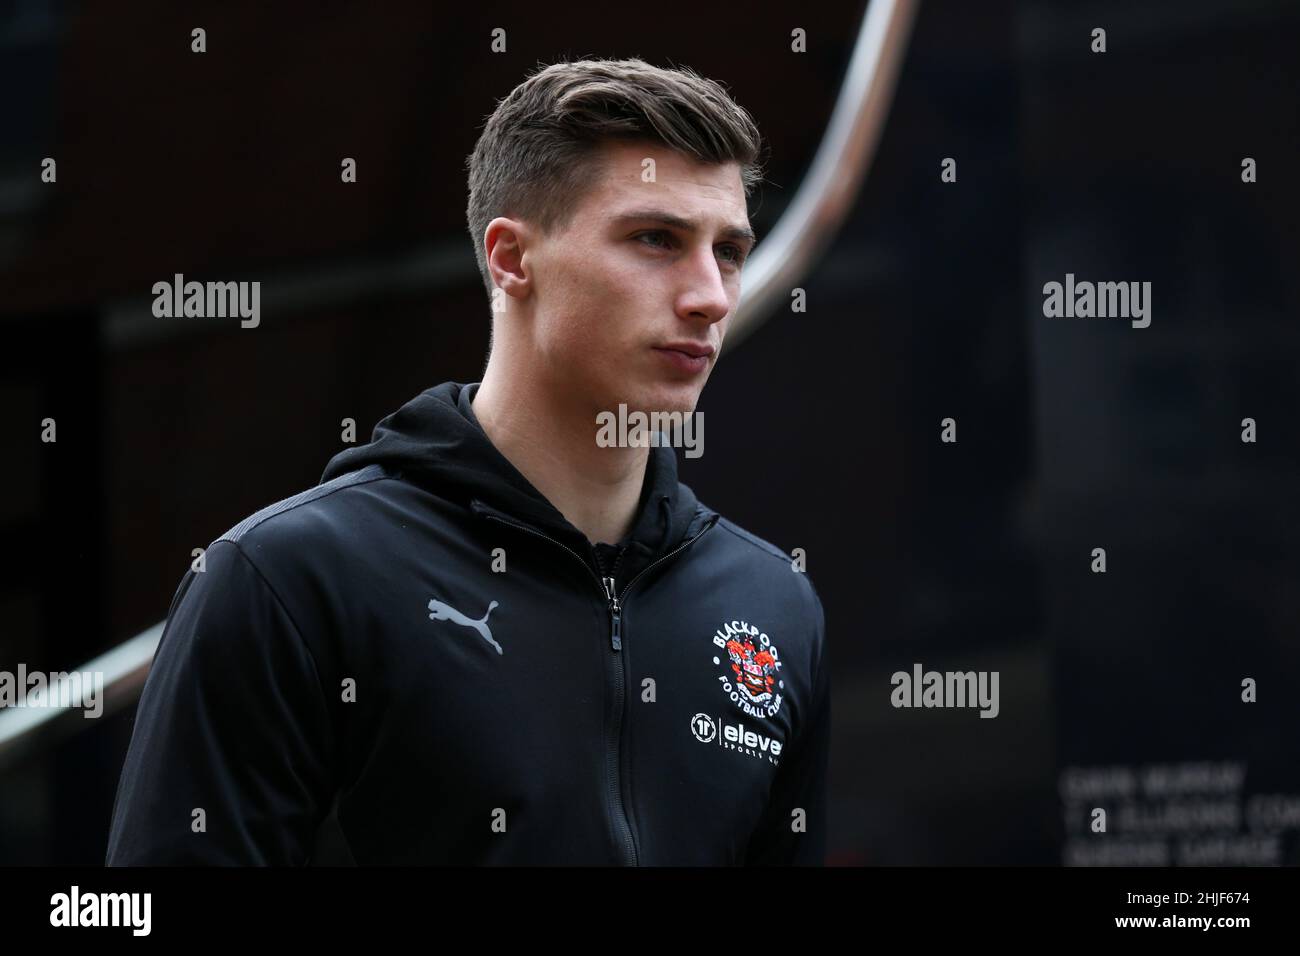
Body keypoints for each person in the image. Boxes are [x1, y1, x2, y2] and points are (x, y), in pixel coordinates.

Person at [106, 56, 830, 866]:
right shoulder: (289, 582)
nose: (711, 296)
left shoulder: (773, 605)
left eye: (728, 251)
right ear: (511, 260)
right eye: (656, 238)